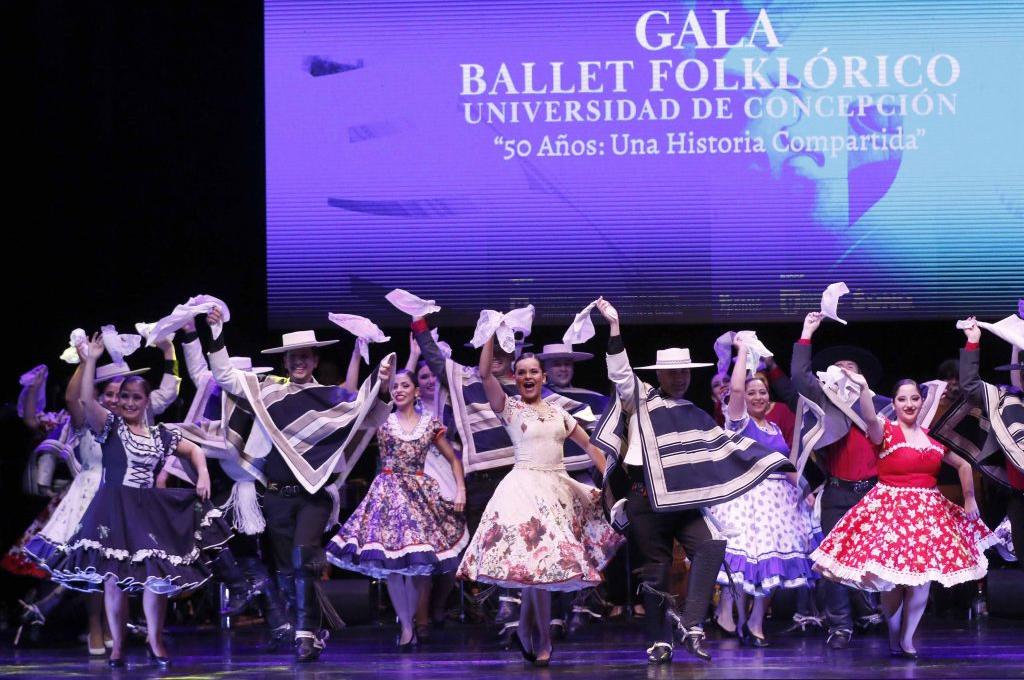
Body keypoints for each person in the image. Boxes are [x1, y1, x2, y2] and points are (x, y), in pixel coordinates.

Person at [592, 299, 792, 664]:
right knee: (655, 570)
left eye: (685, 372)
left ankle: (692, 625)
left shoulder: (695, 413)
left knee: (712, 543)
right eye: (673, 373)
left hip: (683, 501)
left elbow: (722, 450)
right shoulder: (641, 399)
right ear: (659, 375)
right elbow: (620, 373)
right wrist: (615, 328)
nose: (680, 377)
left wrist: (769, 459)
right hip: (645, 496)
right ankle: (659, 640)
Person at [203, 306, 391, 662]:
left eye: (305, 357)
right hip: (276, 497)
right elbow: (226, 376)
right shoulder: (269, 392)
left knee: (305, 557)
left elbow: (367, 413)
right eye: (293, 358)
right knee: (287, 570)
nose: (298, 363)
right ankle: (313, 628)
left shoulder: (331, 397)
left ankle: (304, 635)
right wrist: (216, 334)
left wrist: (382, 382)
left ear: (315, 360)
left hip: (314, 496)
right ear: (285, 361)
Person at [31, 333, 226, 668]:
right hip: (114, 506)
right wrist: (90, 359)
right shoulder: (111, 426)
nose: (130, 403)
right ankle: (118, 645)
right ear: (118, 401)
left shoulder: (160, 434)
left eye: (137, 397)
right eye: (125, 397)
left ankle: (155, 639)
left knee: (158, 577)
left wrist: (203, 472)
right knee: (113, 577)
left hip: (148, 508)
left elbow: (193, 449)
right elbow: (83, 403)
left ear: (147, 401)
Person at [457, 336, 621, 666]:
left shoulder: (559, 412)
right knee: (538, 566)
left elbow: (590, 446)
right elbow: (486, 374)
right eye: (522, 372)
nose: (528, 376)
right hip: (523, 489)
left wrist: (609, 481)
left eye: (534, 371)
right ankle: (542, 638)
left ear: (543, 377)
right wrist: (491, 334)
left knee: (543, 569)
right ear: (516, 378)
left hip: (556, 489)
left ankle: (529, 633)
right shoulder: (509, 407)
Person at [811, 377, 996, 659]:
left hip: (927, 515)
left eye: (914, 398)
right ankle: (894, 634)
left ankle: (907, 639)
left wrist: (969, 497)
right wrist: (863, 390)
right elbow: (870, 418)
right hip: (890, 512)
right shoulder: (885, 430)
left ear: (921, 402)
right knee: (891, 580)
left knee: (922, 580)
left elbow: (964, 465)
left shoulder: (934, 437)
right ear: (895, 404)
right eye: (902, 399)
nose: (909, 404)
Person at [327, 366, 467, 649]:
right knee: (392, 564)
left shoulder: (430, 423)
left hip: (418, 494)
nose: (399, 390)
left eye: (405, 385)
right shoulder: (383, 421)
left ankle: (410, 624)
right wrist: (379, 379)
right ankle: (405, 626)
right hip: (388, 494)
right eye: (395, 387)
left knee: (415, 564)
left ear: (416, 391)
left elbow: (453, 458)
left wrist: (460, 487)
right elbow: (355, 401)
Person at [708, 337, 816, 647]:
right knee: (744, 565)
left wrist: (805, 488)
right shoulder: (738, 422)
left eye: (762, 392)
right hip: (746, 500)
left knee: (774, 567)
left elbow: (787, 464)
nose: (756, 396)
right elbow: (737, 389)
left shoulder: (774, 428)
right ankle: (736, 619)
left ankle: (755, 622)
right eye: (752, 392)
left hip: (777, 503)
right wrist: (742, 352)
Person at [791, 311, 889, 649]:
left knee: (874, 558)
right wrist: (806, 333)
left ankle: (870, 614)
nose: (845, 372)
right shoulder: (826, 404)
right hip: (837, 492)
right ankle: (840, 626)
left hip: (873, 494)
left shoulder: (883, 407)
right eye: (840, 368)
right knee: (834, 563)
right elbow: (800, 377)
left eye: (852, 368)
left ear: (862, 377)